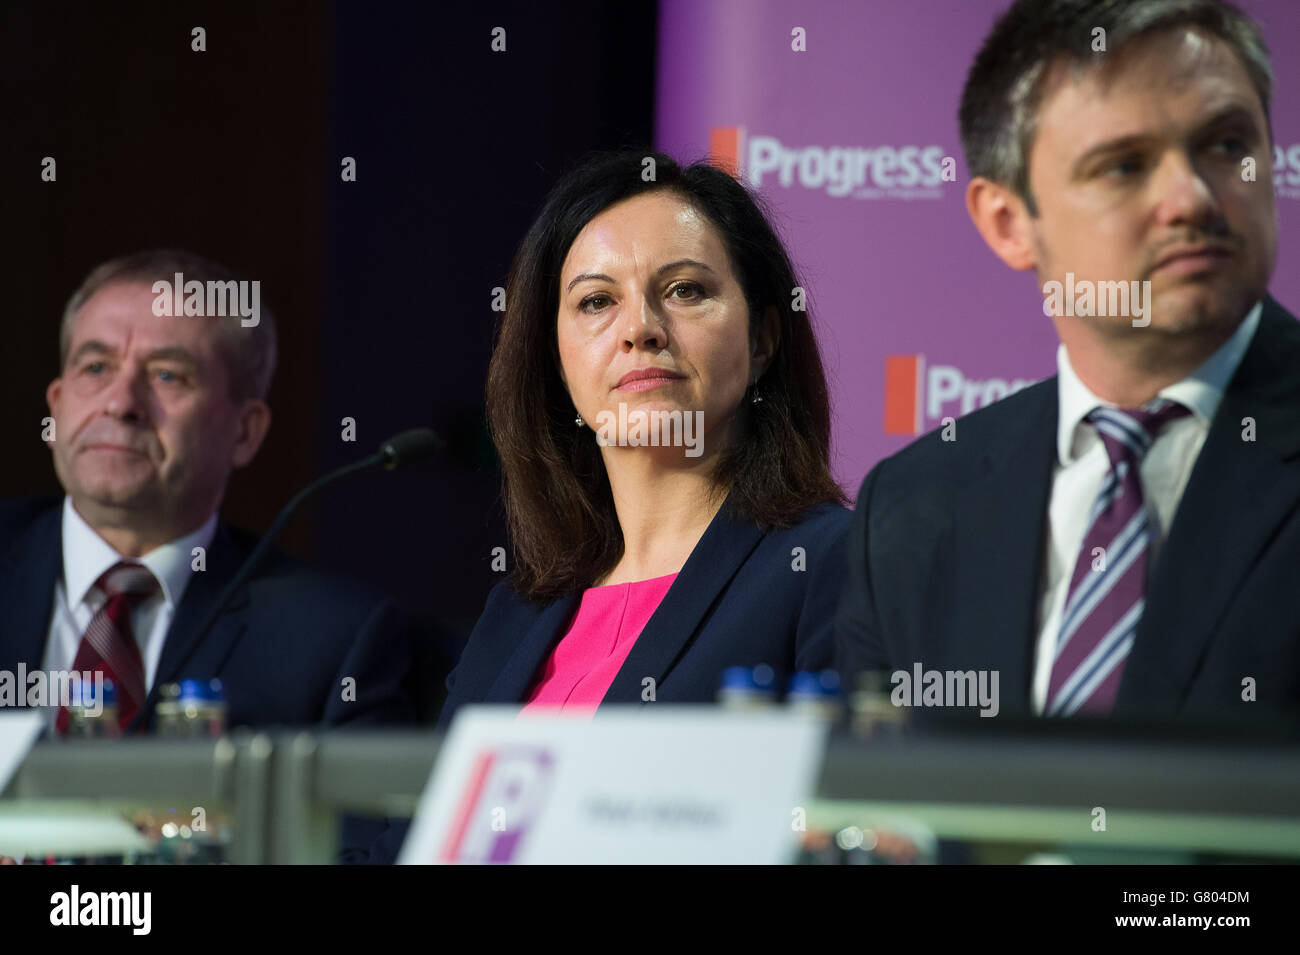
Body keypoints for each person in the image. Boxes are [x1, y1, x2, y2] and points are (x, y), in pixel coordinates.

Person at [836, 0, 1299, 723]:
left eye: (1225, 143)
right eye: (1124, 165)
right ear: (1010, 223)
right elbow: (891, 816)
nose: (1191, 198)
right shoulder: (911, 510)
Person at [0, 249, 418, 860]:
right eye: (96, 367)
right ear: (57, 402)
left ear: (245, 431)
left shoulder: (333, 641)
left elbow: (355, 855)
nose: (121, 403)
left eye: (168, 375)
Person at [438, 150, 850, 727]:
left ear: (762, 341)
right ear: (556, 362)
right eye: (597, 301)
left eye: (685, 290)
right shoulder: (515, 613)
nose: (639, 330)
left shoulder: (836, 565)